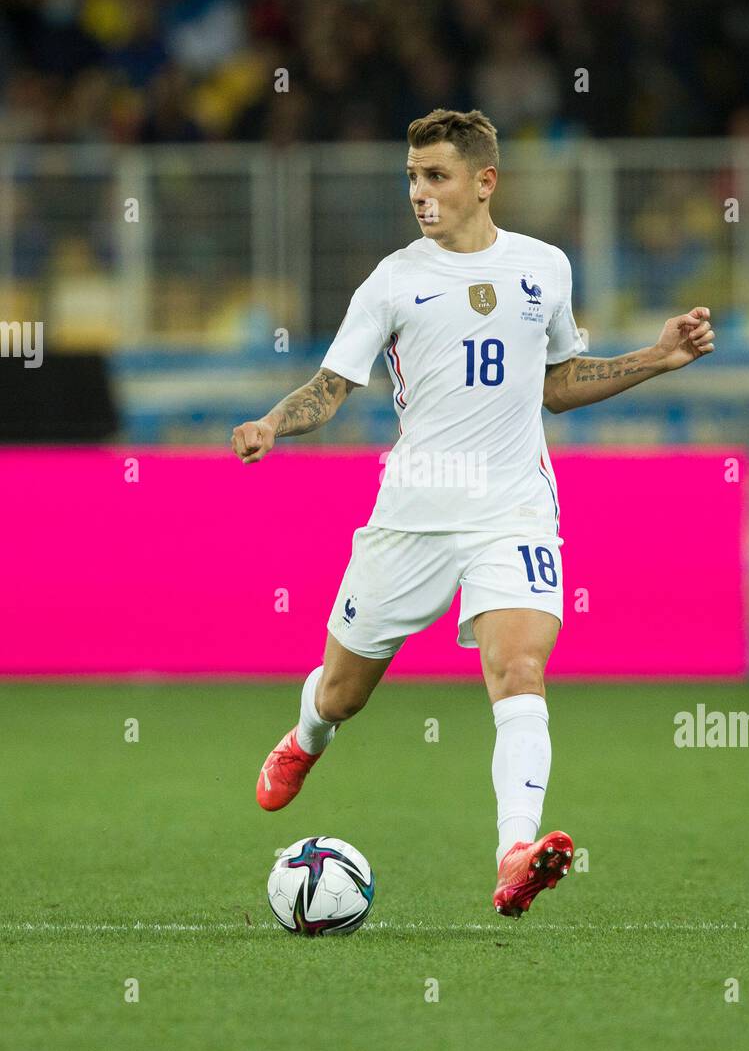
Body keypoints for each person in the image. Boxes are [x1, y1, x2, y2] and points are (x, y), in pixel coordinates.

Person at [231, 108, 715, 917]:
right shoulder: (392, 279)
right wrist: (274, 423)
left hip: (514, 508)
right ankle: (306, 736)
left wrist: (657, 357)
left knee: (519, 669)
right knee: (344, 692)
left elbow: (557, 383)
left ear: (484, 181)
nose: (420, 193)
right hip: (413, 513)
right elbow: (332, 387)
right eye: (413, 178)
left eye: (436, 176)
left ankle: (514, 852)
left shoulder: (545, 268)